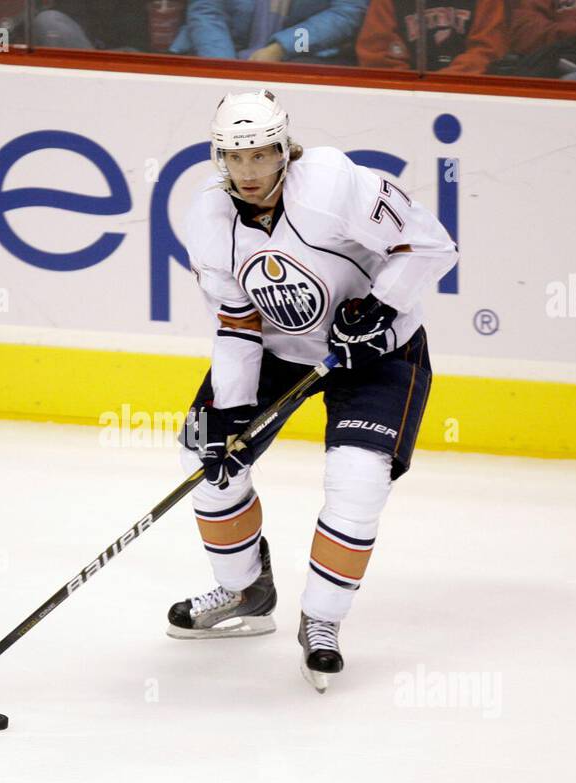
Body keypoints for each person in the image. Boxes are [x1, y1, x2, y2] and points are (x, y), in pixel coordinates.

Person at [168, 90, 457, 692]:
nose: (248, 172)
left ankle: (322, 620)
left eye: (260, 155)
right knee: (205, 457)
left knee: (357, 481)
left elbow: (431, 243)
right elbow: (237, 321)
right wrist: (232, 413)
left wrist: (379, 306)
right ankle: (246, 591)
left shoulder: (332, 183)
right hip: (280, 349)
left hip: (380, 353)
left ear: (283, 148)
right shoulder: (208, 217)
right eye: (234, 157)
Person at [169, 0, 370, 63]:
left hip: (300, 55)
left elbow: (346, 14)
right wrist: (224, 64)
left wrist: (282, 48)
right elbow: (207, 10)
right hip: (216, 52)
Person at [355, 0, 508, 74]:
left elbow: (487, 50)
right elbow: (378, 54)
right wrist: (412, 86)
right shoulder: (386, 2)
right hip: (405, 95)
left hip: (470, 90)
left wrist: (443, 82)